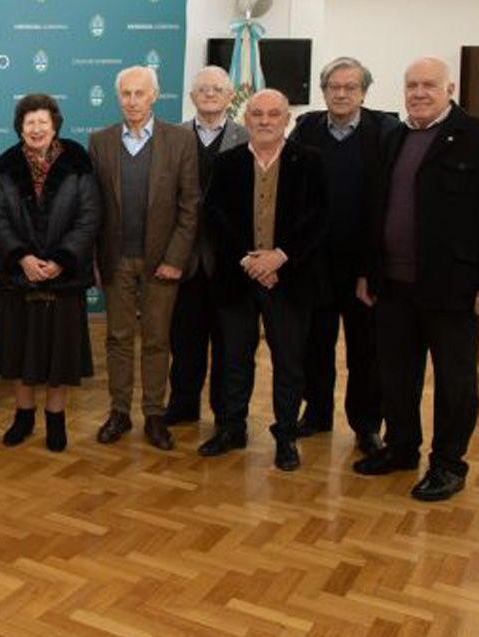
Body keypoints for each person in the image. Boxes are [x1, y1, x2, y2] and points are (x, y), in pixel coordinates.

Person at [355, 57, 479, 501]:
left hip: (452, 288)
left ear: (450, 89)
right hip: (392, 285)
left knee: (455, 382)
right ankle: (402, 446)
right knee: (396, 375)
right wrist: (369, 271)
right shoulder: (396, 137)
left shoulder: (472, 137)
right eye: (412, 85)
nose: (419, 92)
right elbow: (377, 210)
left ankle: (448, 463)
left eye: (429, 85)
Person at [202, 89, 328, 472]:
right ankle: (231, 428)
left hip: (289, 280)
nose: (265, 120)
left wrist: (279, 257)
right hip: (237, 279)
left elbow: (318, 218)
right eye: (257, 113)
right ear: (246, 118)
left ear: (287, 118)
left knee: (289, 363)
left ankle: (286, 434)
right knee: (234, 358)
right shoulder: (227, 164)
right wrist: (249, 259)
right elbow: (216, 217)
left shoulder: (310, 162)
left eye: (274, 114)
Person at [288, 57, 398, 456]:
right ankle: (316, 413)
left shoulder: (384, 132)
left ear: (364, 92)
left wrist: (373, 270)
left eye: (350, 87)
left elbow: (386, 206)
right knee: (314, 346)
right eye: (334, 86)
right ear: (323, 90)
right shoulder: (305, 129)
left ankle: (367, 425)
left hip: (362, 267)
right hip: (315, 264)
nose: (341, 93)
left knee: (365, 352)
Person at [88, 65, 200, 451]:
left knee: (156, 340)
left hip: (161, 263)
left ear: (155, 96)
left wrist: (175, 258)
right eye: (126, 94)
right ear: (118, 97)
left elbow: (190, 207)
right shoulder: (99, 142)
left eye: (140, 94)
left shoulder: (180, 141)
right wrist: (96, 260)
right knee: (117, 339)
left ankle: (155, 413)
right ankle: (119, 412)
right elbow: (93, 208)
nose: (132, 101)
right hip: (116, 259)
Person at [0, 94, 101, 452]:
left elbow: (89, 216)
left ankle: (55, 421)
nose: (36, 129)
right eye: (29, 123)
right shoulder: (4, 166)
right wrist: (22, 258)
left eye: (43, 123)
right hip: (18, 276)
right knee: (19, 353)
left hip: (64, 277)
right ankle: (23, 418)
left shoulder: (78, 161)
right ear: (20, 128)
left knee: (59, 355)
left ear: (55, 127)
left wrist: (61, 259)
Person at [164, 66, 248, 429]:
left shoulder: (248, 136)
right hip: (185, 261)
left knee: (231, 347)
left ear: (231, 97)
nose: (210, 94)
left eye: (217, 89)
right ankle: (183, 407)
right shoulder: (172, 137)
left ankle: (228, 416)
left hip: (230, 262)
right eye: (203, 89)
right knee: (184, 342)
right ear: (192, 97)